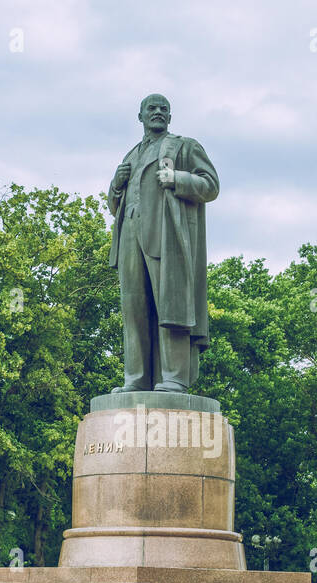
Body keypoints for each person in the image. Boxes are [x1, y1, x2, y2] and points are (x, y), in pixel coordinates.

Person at [107, 94, 219, 393]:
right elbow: (114, 205)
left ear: (170, 117)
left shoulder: (184, 146)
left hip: (165, 236)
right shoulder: (130, 155)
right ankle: (136, 378)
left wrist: (177, 178)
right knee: (134, 309)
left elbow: (210, 185)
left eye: (163, 109)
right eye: (151, 109)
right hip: (130, 235)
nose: (158, 112)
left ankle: (174, 378)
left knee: (171, 306)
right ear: (140, 116)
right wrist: (116, 185)